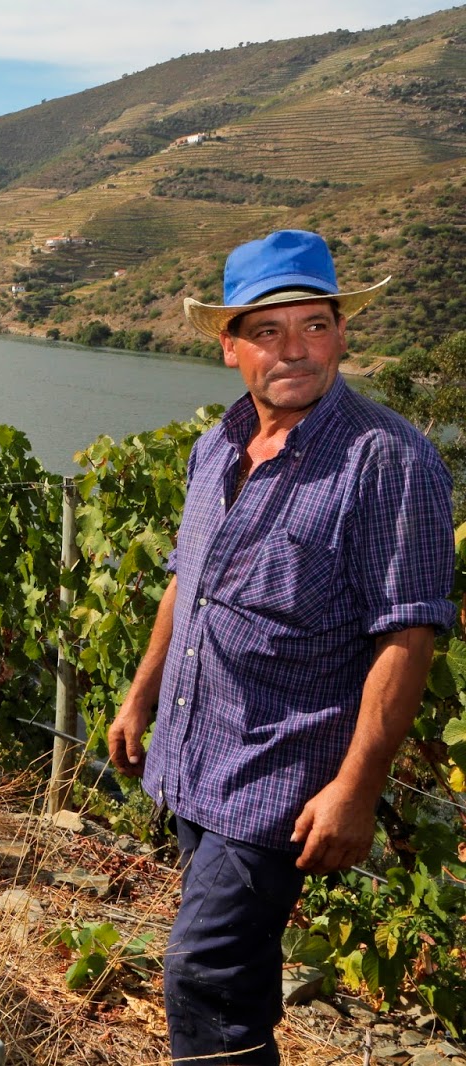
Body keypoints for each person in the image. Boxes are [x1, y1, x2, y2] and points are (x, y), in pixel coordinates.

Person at [105, 229, 455, 1065]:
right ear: (230, 346)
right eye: (268, 330)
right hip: (196, 759)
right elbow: (186, 582)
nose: (295, 349)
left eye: (315, 325)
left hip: (279, 781)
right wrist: (140, 695)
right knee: (237, 979)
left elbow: (409, 634)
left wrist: (356, 790)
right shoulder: (215, 448)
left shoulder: (388, 461)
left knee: (202, 976)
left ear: (342, 334)